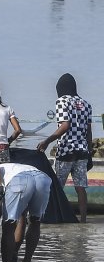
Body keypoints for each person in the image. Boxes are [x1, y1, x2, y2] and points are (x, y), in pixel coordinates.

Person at [37, 73, 93, 224]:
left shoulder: (62, 101)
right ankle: (83, 220)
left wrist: (47, 140)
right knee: (80, 187)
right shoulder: (86, 104)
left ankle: (56, 217)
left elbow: (65, 125)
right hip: (82, 151)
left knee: (57, 187)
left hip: (66, 149)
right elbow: (89, 132)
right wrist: (90, 154)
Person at [0, 160, 52, 262]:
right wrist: (14, 251)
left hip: (19, 180)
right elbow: (21, 217)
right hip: (42, 178)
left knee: (8, 224)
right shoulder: (10, 168)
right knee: (35, 221)